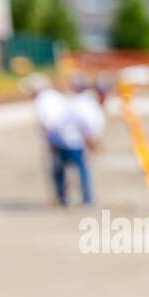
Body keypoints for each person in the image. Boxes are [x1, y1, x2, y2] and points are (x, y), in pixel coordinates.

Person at [33, 75, 104, 207]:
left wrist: (50, 141)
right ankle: (86, 198)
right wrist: (91, 140)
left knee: (61, 170)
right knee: (80, 170)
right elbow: (87, 123)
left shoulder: (72, 101)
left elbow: (49, 123)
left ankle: (64, 198)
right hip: (73, 141)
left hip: (63, 141)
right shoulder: (78, 101)